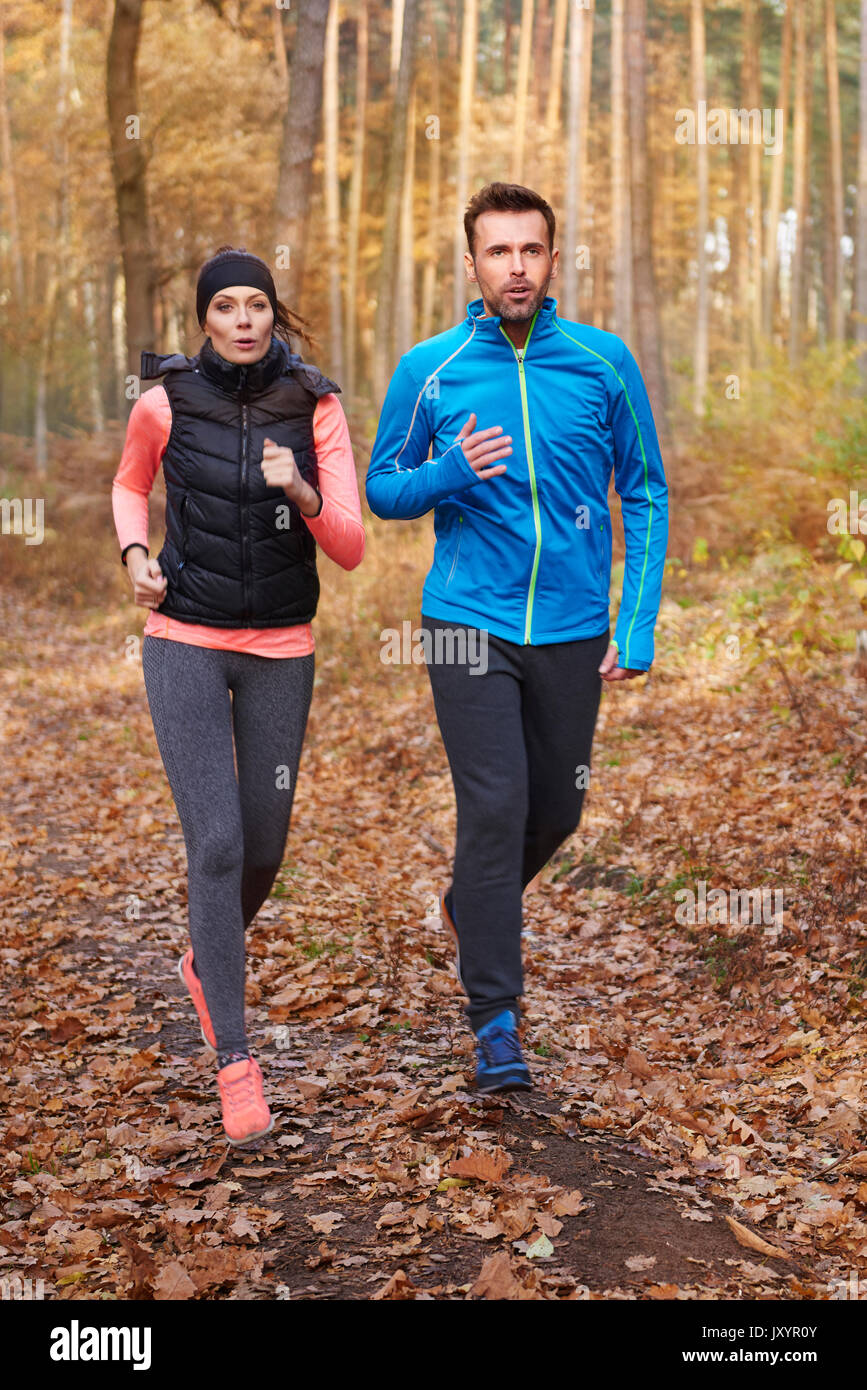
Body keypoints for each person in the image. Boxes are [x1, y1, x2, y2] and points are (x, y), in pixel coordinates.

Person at [366, 183, 668, 1094]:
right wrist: (449, 472)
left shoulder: (601, 363)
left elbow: (644, 491)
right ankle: (495, 1022)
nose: (515, 267)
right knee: (494, 808)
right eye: (497, 252)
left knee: (558, 811)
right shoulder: (432, 367)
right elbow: (383, 487)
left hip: (573, 626)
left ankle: (469, 903)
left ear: (553, 259)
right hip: (466, 619)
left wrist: (638, 616)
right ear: (471, 264)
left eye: (530, 251)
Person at [112, 246, 365, 1143]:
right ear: (206, 319)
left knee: (263, 845)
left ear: (274, 311)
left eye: (259, 302)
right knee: (216, 844)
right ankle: (236, 1063)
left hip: (281, 647)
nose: (246, 319)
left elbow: (350, 545)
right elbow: (128, 484)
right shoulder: (165, 401)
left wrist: (298, 486)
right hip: (184, 638)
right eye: (228, 306)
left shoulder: (317, 404)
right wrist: (138, 559)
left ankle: (203, 957)